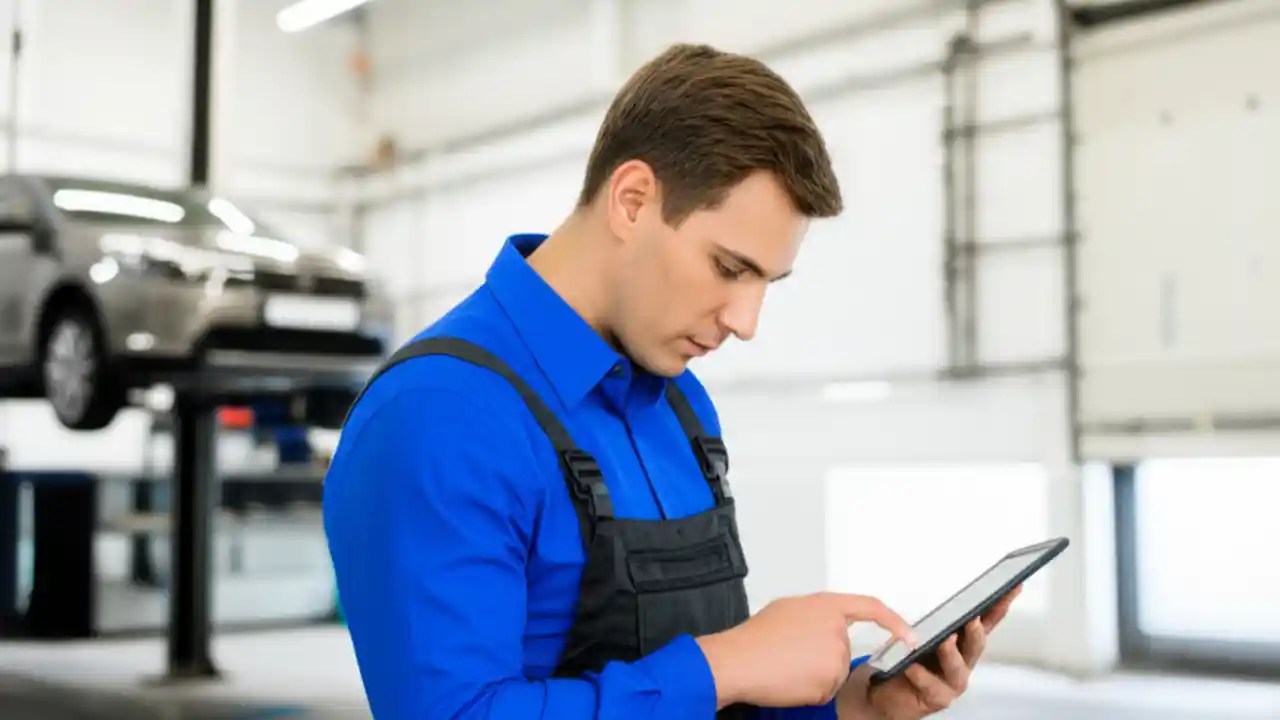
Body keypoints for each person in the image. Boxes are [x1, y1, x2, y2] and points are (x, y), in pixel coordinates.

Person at [323, 43, 1019, 719]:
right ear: (632, 200)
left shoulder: (682, 405)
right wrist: (727, 663)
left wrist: (852, 703)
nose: (745, 321)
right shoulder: (437, 416)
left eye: (767, 283)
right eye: (729, 268)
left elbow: (708, 704)